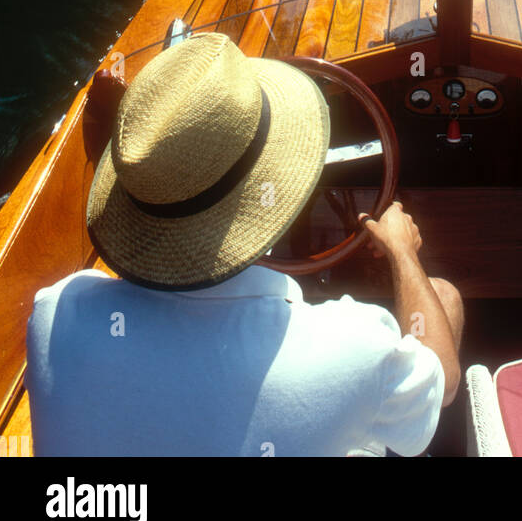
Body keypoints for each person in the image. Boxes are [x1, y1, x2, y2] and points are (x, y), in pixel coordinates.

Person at [25, 33, 463, 457]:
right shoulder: (355, 347)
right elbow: (442, 380)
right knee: (442, 296)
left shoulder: (57, 317)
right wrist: (403, 251)